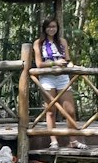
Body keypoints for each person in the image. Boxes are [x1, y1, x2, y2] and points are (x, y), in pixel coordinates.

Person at [32, 17, 84, 148]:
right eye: (49, 27)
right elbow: (39, 64)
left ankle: (73, 140)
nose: (51, 29)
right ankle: (53, 141)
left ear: (57, 28)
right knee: (51, 110)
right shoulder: (38, 43)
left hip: (62, 77)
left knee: (70, 110)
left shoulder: (62, 42)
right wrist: (54, 63)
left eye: (54, 27)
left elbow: (67, 60)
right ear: (45, 28)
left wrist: (72, 65)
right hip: (47, 78)